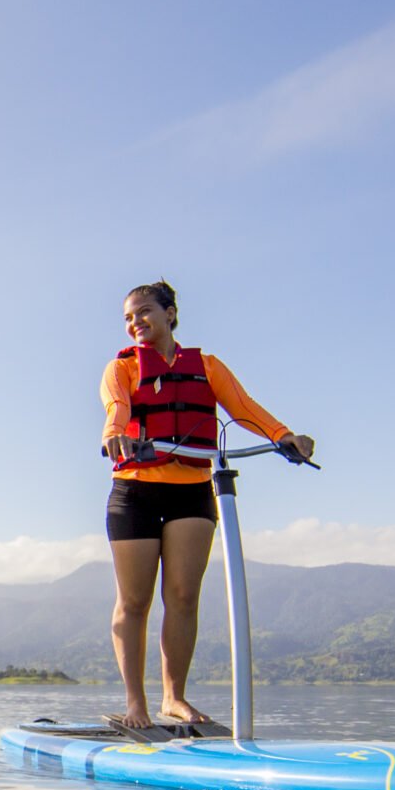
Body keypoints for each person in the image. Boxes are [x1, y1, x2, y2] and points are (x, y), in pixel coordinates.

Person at [100, 281, 312, 728]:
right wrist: (114, 436)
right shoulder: (122, 369)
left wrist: (283, 436)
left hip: (192, 489)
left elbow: (244, 408)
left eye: (144, 311)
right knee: (134, 600)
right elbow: (117, 408)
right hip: (135, 491)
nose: (135, 322)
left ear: (170, 313)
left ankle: (173, 698)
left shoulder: (208, 367)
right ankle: (136, 703)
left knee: (182, 596)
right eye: (128, 317)